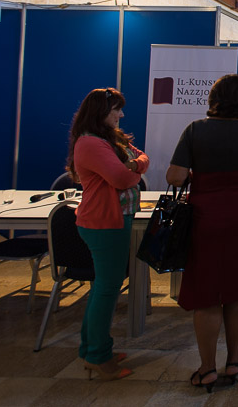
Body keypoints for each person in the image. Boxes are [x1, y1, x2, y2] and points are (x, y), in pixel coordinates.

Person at [166, 75, 238, 392]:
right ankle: (235, 359)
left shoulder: (196, 130)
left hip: (206, 215)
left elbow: (175, 176)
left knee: (207, 293)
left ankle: (207, 368)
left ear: (215, 99)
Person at [69, 87, 148, 381]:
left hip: (113, 220)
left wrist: (134, 165)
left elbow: (141, 157)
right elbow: (120, 178)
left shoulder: (106, 140)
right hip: (105, 222)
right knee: (107, 289)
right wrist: (134, 169)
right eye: (116, 109)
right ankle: (99, 357)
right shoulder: (91, 144)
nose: (121, 114)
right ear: (101, 112)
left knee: (103, 288)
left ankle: (92, 349)